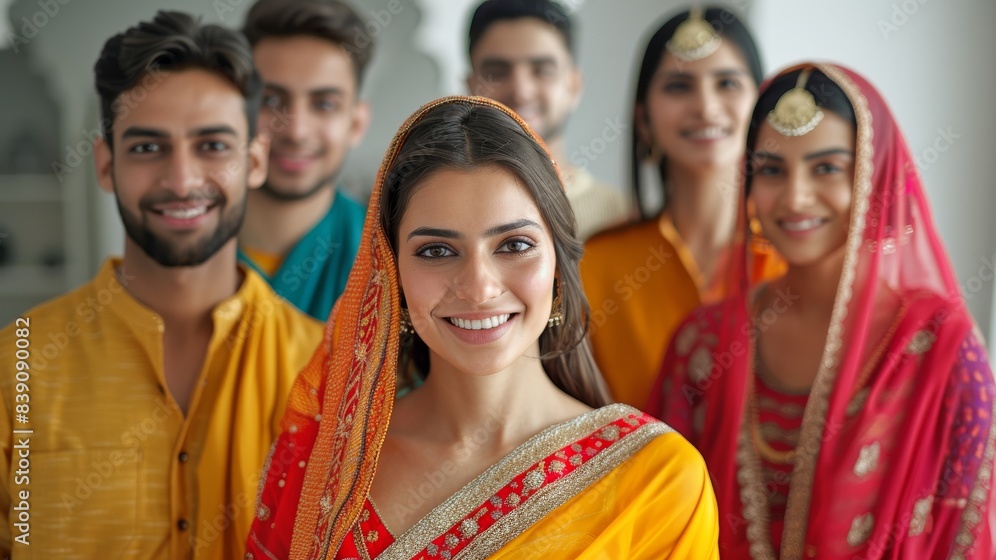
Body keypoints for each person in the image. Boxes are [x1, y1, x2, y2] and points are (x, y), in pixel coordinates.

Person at [244, 96, 719, 559]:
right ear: (391, 274)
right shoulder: (327, 466)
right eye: (436, 251)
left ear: (557, 263)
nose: (477, 287)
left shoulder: (655, 479)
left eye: (513, 245)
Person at [0, 12, 324, 559]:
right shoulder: (19, 365)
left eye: (213, 146)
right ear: (105, 165)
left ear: (255, 160)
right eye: (148, 148)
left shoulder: (324, 368)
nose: (180, 181)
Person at [648, 63, 996, 558]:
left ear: (874, 178)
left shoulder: (940, 348)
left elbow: (964, 532)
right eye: (771, 169)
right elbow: (660, 521)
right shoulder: (702, 343)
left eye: (827, 168)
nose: (795, 196)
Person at [581, 6, 785, 409]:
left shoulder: (794, 259)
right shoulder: (595, 267)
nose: (706, 107)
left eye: (727, 83)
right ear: (643, 120)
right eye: (679, 86)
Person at [238, 0, 372, 320]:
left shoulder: (387, 262)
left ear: (356, 124)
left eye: (324, 104)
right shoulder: (184, 246)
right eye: (271, 100)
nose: (296, 131)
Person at [466, 0, 629, 241]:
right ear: (470, 87)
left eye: (542, 70)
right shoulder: (434, 206)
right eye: (496, 72)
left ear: (574, 86)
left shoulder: (620, 217)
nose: (521, 91)